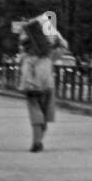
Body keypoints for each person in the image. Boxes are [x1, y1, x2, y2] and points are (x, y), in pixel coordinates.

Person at [19, 17, 68, 151]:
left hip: (30, 87)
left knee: (35, 113)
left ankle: (37, 141)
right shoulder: (49, 54)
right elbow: (64, 47)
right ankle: (38, 140)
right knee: (45, 115)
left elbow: (22, 49)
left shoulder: (25, 55)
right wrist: (56, 39)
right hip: (47, 86)